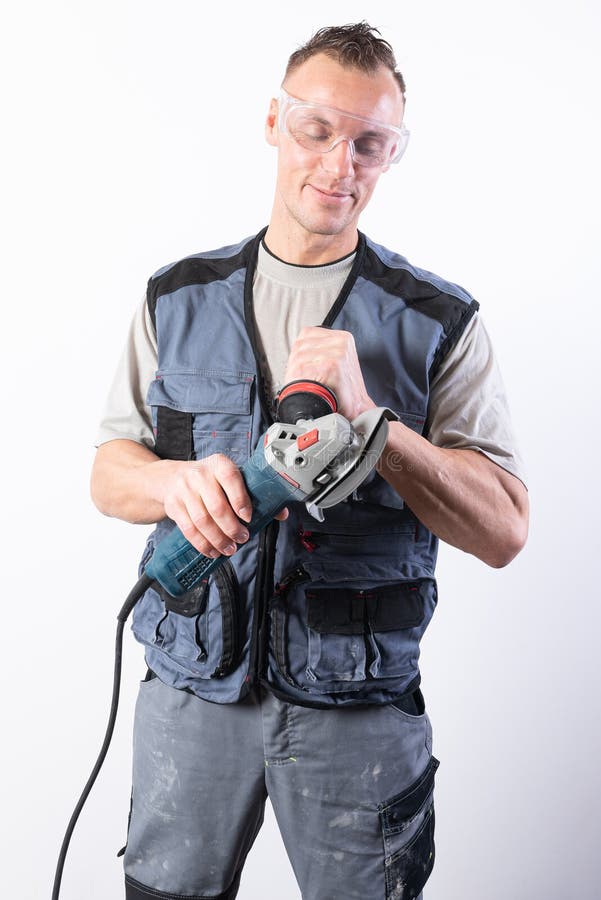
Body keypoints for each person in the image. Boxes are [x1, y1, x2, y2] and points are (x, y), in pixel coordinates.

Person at [91, 22, 529, 900]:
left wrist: (377, 423)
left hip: (356, 712)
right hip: (189, 695)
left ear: (391, 153)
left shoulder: (438, 321)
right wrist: (174, 482)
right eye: (317, 131)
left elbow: (504, 530)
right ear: (272, 122)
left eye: (370, 143)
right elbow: (109, 469)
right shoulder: (175, 299)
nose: (340, 165)